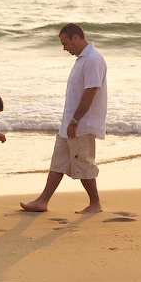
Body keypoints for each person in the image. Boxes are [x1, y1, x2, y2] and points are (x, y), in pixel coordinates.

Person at [21, 23, 107, 214]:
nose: (64, 48)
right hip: (70, 122)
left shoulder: (93, 60)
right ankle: (42, 201)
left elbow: (91, 92)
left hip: (81, 124)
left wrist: (76, 120)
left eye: (65, 43)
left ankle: (95, 204)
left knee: (83, 162)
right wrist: (70, 120)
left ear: (76, 37)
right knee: (58, 162)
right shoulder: (82, 59)